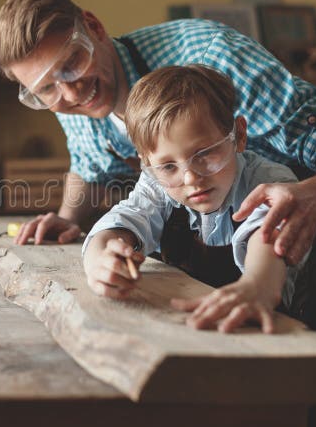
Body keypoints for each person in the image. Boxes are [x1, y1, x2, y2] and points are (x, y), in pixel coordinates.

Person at [0, 0, 316, 266]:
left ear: (95, 28)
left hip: (285, 243)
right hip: (192, 259)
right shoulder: (69, 102)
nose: (71, 91)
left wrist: (315, 197)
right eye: (46, 88)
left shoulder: (210, 56)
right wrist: (67, 218)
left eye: (71, 64)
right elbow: (91, 167)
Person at [83, 65, 303, 332]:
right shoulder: (159, 183)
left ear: (239, 135)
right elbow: (126, 218)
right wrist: (100, 258)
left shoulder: (272, 183)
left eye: (205, 154)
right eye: (168, 167)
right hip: (187, 329)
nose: (190, 179)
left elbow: (266, 237)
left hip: (267, 335)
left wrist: (256, 285)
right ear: (147, 164)